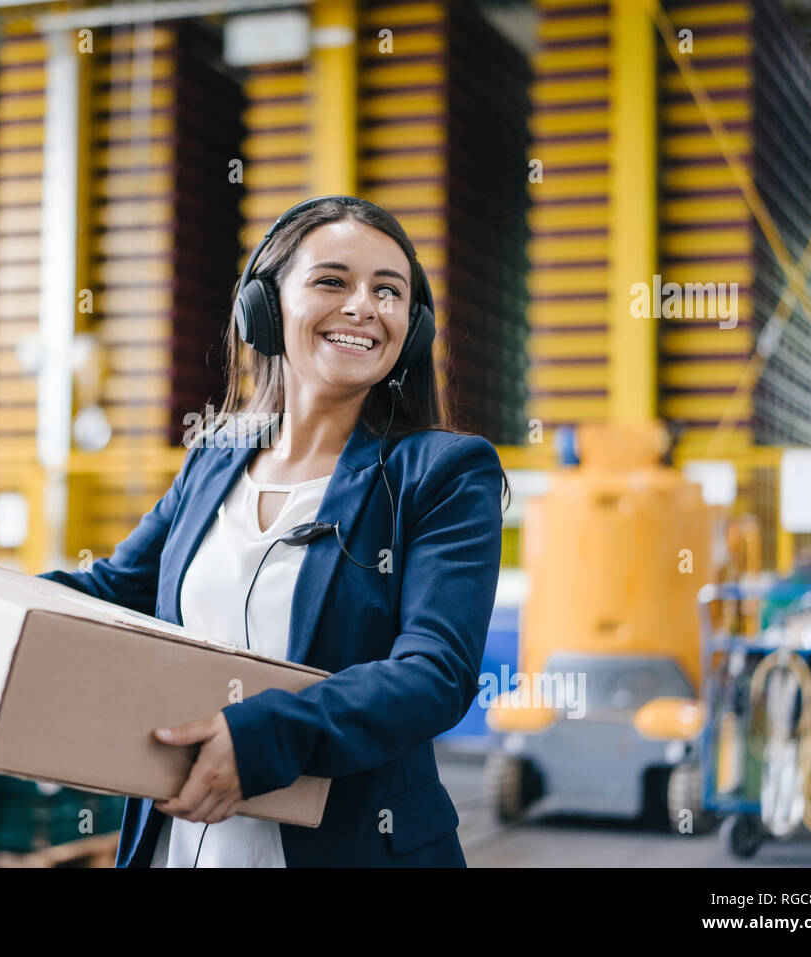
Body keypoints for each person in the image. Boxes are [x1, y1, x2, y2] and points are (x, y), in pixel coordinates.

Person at [38, 195, 507, 866]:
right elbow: (112, 591)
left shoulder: (444, 474)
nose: (363, 306)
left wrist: (264, 737)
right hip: (182, 842)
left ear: (415, 326)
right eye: (332, 281)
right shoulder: (213, 459)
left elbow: (434, 672)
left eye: (389, 291)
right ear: (263, 306)